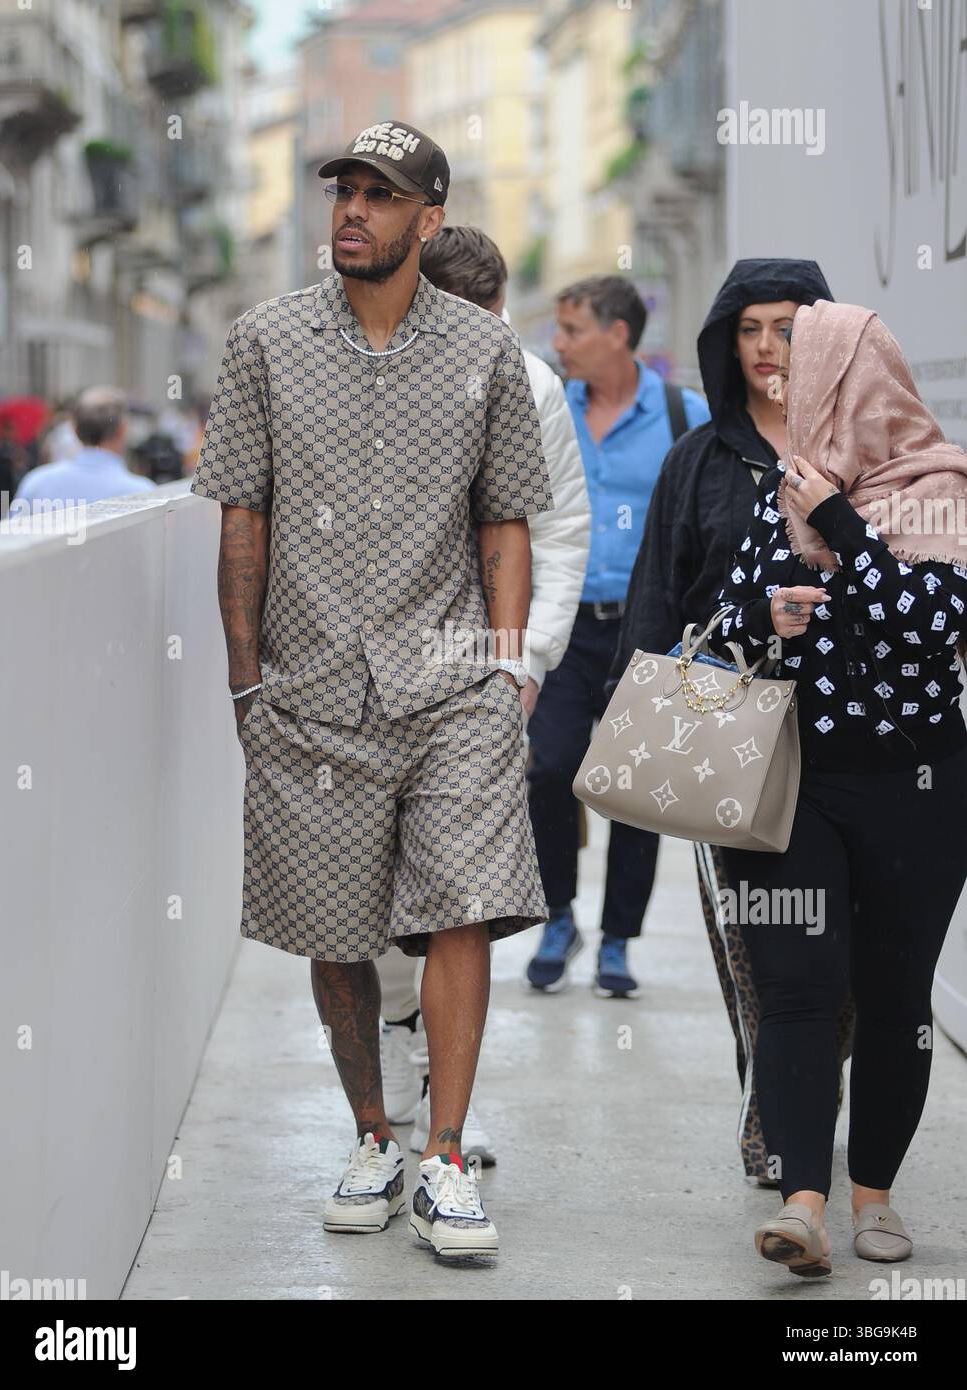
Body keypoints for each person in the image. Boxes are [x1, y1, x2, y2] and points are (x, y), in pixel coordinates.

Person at [189, 120, 555, 1262]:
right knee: (332, 927)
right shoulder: (263, 341)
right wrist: (248, 684)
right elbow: (238, 518)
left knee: (461, 905)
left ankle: (445, 1154)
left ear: (427, 219)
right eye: (344, 190)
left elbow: (506, 517)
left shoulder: (485, 355)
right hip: (308, 687)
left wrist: (504, 667)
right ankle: (372, 1132)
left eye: (381, 194)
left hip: (453, 682)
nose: (353, 210)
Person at [703, 300, 967, 1277]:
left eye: (812, 370)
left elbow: (929, 614)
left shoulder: (938, 488)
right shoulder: (787, 486)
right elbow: (727, 616)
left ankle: (875, 1197)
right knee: (798, 991)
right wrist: (768, 618)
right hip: (793, 787)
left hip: (916, 787)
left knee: (897, 996)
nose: (790, 383)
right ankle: (803, 1202)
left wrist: (840, 523)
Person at [607, 259, 854, 1185]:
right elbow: (658, 598)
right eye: (749, 328)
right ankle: (775, 1116)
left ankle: (798, 1089)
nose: (765, 347)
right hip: (728, 727)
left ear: (822, 336)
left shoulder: (859, 449)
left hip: (849, 728)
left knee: (853, 953)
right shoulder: (697, 461)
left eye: (786, 327)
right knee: (757, 941)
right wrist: (634, 709)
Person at [374, 224, 592, 1167]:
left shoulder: (532, 388)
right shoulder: (372, 375)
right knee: (376, 904)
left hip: (477, 675)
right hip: (372, 674)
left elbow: (562, 528)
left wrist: (525, 663)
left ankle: (442, 1117)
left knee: (458, 900)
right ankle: (396, 1100)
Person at [525, 276, 711, 997]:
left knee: (636, 790)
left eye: (572, 330)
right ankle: (557, 917)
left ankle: (618, 944)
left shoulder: (681, 414)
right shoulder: (546, 408)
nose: (559, 344)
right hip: (565, 628)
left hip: (648, 632)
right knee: (550, 770)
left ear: (619, 335)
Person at [13, 388, 157, 509]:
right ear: (122, 430)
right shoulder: (143, 492)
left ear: (75, 430)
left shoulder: (36, 483)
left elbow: (12, 537)